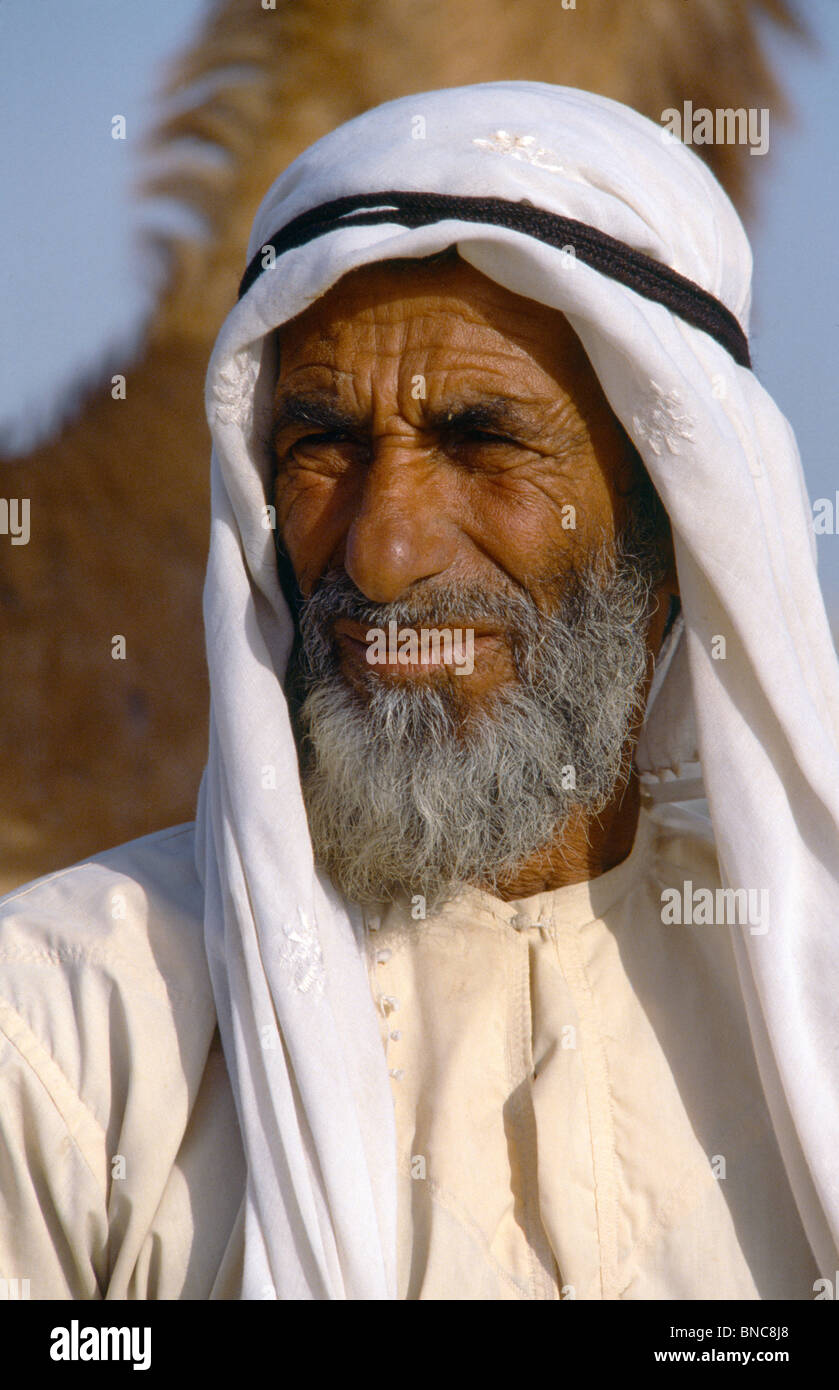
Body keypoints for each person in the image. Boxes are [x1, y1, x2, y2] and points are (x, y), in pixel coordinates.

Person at [1, 81, 838, 1301]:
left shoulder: (799, 1001)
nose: (381, 552)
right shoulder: (66, 1026)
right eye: (324, 445)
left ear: (669, 522)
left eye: (482, 441)